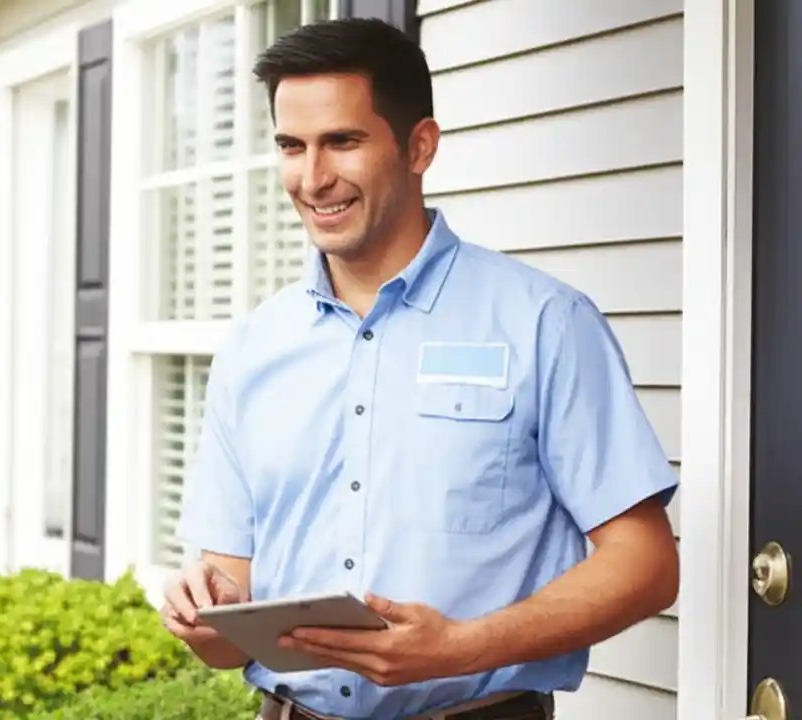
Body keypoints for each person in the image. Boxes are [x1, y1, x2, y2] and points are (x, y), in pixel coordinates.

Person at [160, 17, 679, 720]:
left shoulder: (544, 323)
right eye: (292, 146)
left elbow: (646, 565)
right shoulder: (253, 349)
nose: (313, 179)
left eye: (343, 141)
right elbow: (230, 613)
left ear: (419, 146)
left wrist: (463, 646)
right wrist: (205, 613)